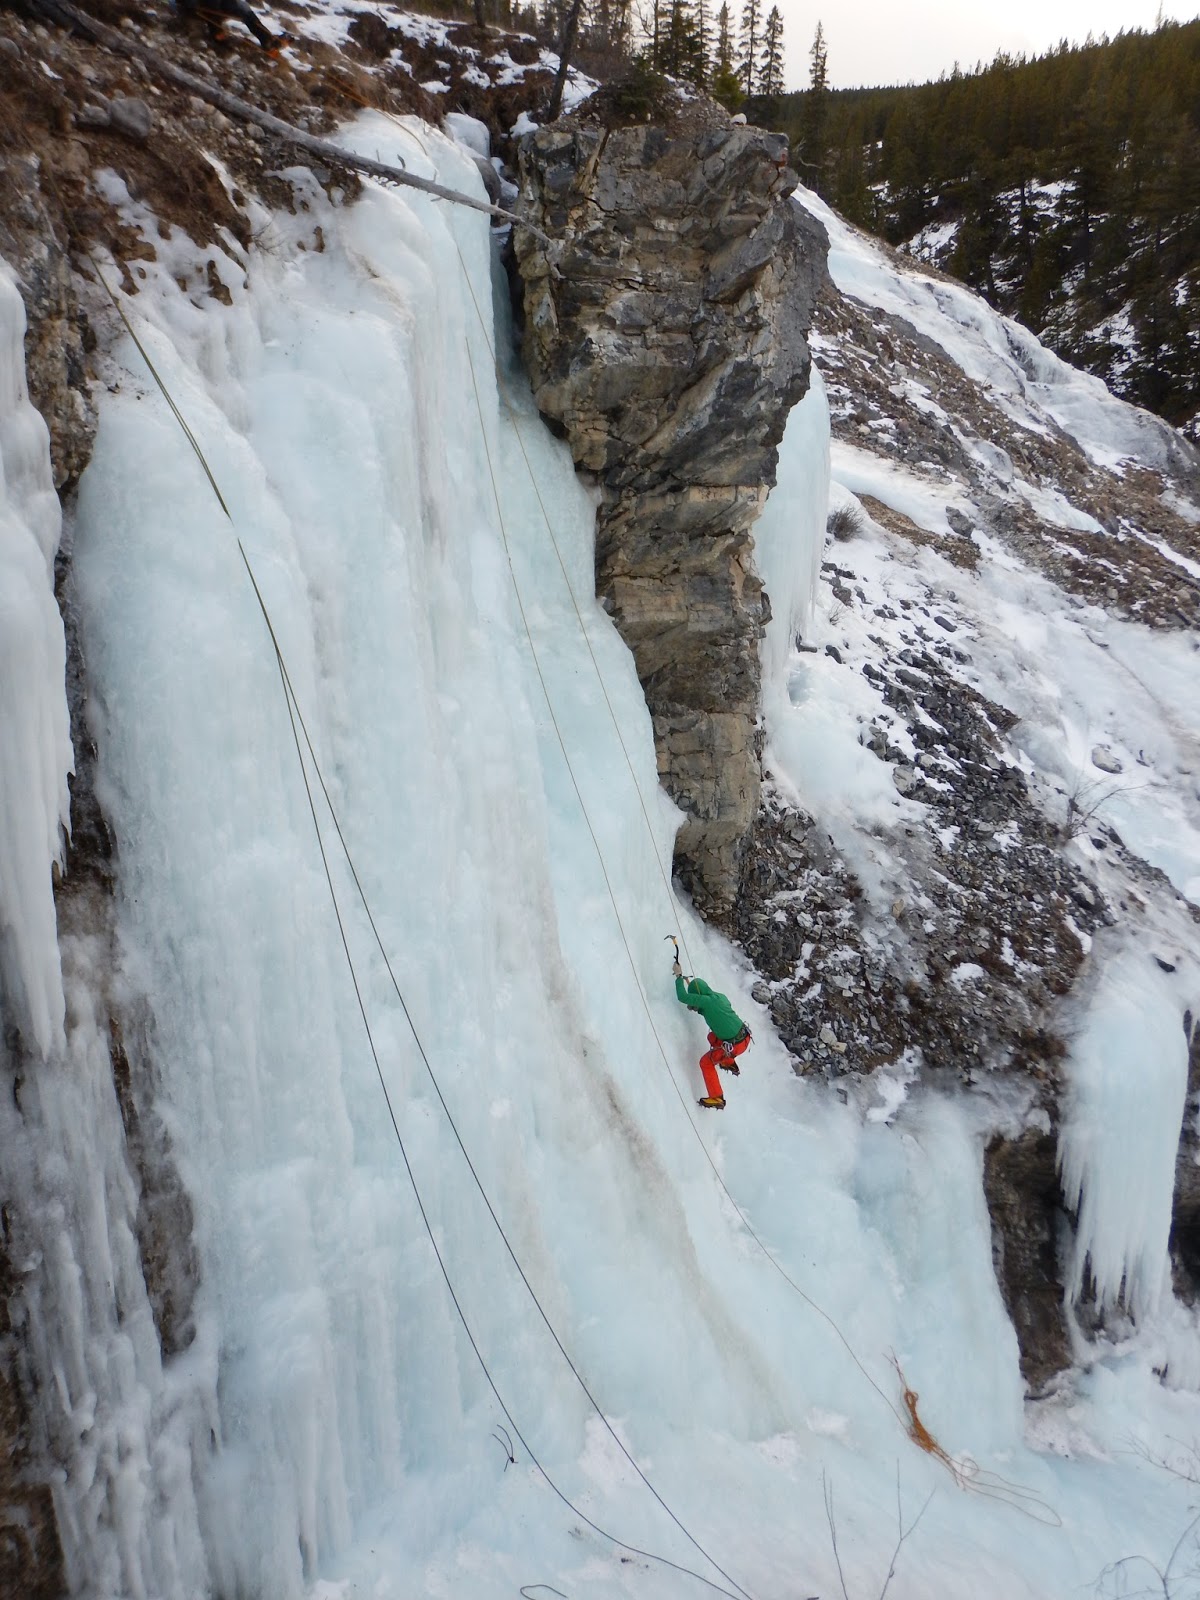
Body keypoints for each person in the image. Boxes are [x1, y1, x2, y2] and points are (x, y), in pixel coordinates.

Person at [673, 959, 752, 1110]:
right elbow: (718, 1012)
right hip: (744, 1038)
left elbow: (682, 997)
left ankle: (717, 1097)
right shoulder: (720, 997)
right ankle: (728, 1063)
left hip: (733, 1047)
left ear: (698, 996)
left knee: (706, 1063)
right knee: (712, 1037)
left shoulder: (706, 1002)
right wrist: (698, 1006)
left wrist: (678, 977)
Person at [175, 0, 282, 52]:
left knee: (242, 8)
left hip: (213, 5)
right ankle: (216, 34)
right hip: (192, 7)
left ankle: (266, 38)